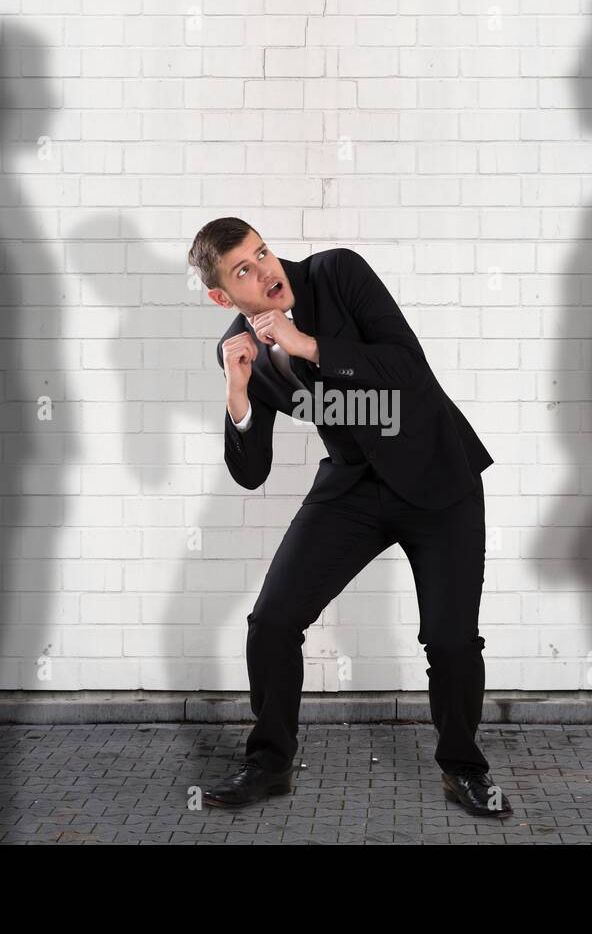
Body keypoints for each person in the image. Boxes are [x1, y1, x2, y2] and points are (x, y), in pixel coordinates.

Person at [187, 217, 512, 817]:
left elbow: (408, 371)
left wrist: (306, 344)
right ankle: (270, 762)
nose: (266, 272)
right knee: (273, 621)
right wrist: (237, 396)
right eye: (244, 271)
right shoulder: (242, 350)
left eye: (263, 253)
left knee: (450, 639)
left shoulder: (336, 272)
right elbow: (252, 471)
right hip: (354, 484)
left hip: (436, 473)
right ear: (220, 295)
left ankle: (464, 769)